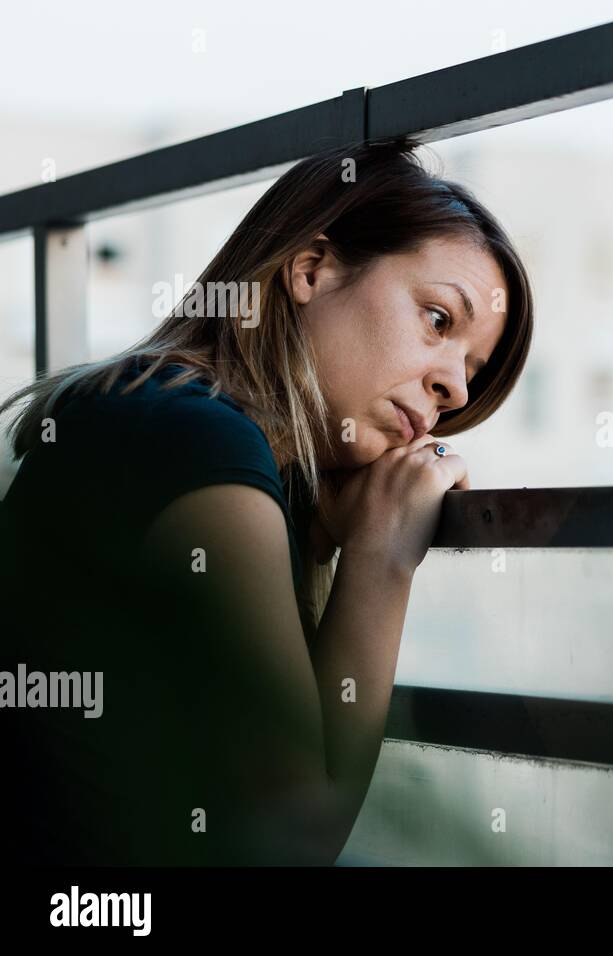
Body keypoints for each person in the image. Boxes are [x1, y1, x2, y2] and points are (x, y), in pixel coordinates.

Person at [0, 135, 534, 865]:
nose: (458, 389)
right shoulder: (192, 437)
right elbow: (294, 839)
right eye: (439, 320)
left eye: (471, 369)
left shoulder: (174, 420)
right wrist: (381, 558)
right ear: (311, 269)